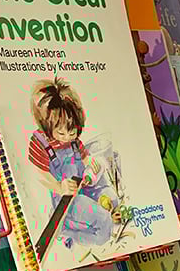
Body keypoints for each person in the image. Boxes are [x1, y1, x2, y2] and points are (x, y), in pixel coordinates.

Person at [28, 78, 120, 250]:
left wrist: (91, 164)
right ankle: (68, 234)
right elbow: (38, 176)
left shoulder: (74, 141)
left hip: (83, 187)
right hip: (67, 200)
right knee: (103, 222)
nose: (67, 137)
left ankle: (101, 214)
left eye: (72, 131)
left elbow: (84, 158)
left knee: (113, 198)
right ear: (47, 127)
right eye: (61, 133)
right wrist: (58, 186)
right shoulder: (40, 142)